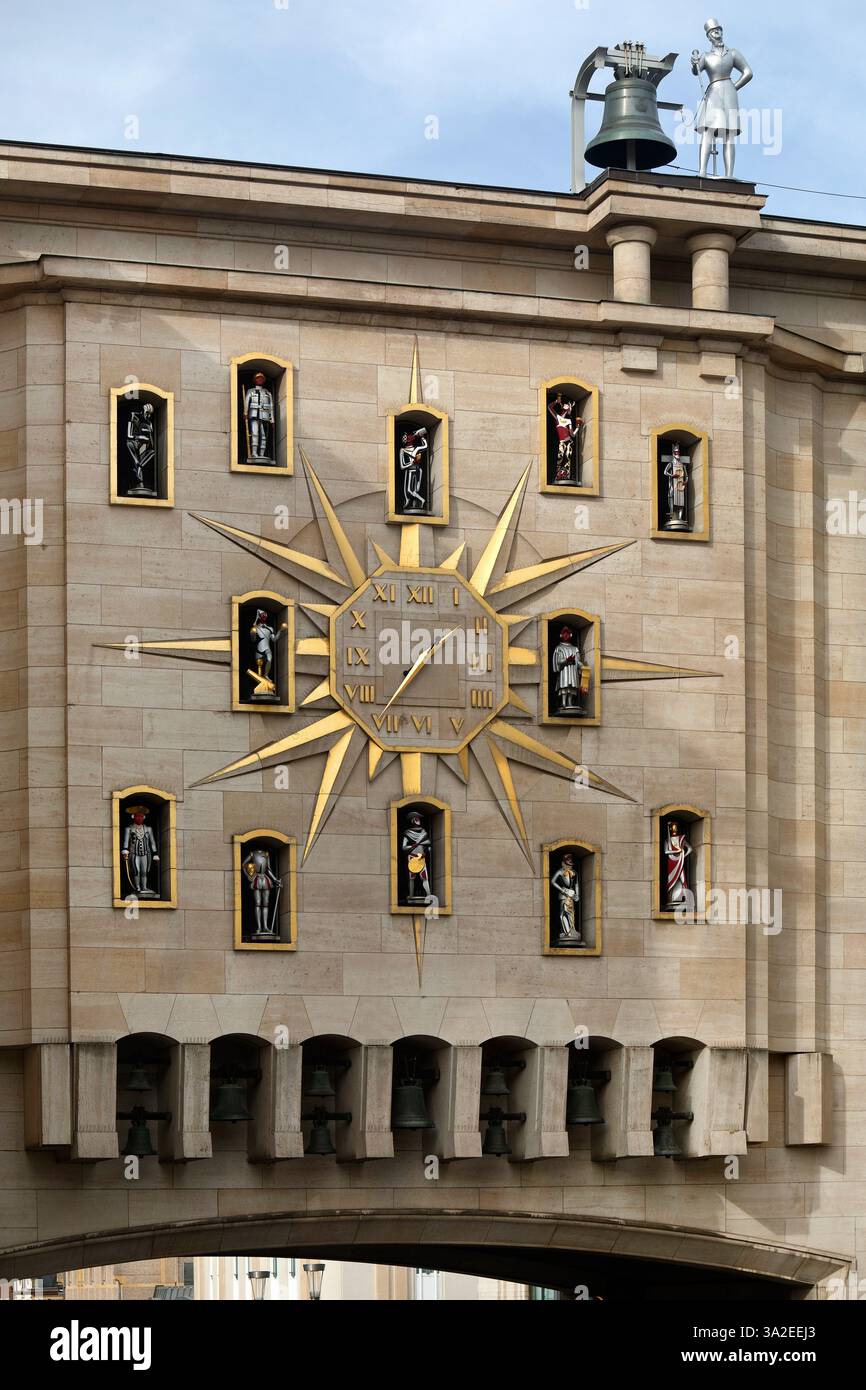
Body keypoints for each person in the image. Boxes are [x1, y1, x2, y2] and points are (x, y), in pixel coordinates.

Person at [691, 19, 753, 179]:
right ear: (709, 36)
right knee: (707, 130)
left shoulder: (732, 53)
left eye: (718, 29)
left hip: (729, 92)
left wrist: (735, 87)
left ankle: (729, 174)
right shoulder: (706, 56)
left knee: (729, 133)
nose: (716, 32)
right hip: (713, 92)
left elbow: (748, 72)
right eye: (713, 31)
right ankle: (702, 171)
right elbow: (696, 71)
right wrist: (694, 64)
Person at [242, 845, 282, 938]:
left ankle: (265, 926)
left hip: (265, 879)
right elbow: (244, 865)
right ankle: (259, 927)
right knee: (258, 903)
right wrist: (248, 875)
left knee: (265, 903)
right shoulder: (252, 854)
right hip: (256, 878)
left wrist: (275, 880)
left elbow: (268, 869)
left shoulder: (266, 854)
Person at [121, 805, 160, 898]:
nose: (139, 818)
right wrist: (125, 849)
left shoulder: (148, 829)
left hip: (146, 854)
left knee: (144, 871)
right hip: (134, 853)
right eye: (137, 816)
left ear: (144, 817)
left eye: (141, 816)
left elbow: (152, 842)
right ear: (133, 817)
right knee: (136, 870)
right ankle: (137, 887)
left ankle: (144, 887)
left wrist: (155, 853)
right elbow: (126, 841)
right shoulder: (129, 829)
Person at [552, 625, 588, 714]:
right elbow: (558, 661)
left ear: (570, 635)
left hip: (572, 670)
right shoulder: (559, 648)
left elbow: (578, 660)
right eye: (564, 634)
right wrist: (566, 660)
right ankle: (563, 703)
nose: (566, 636)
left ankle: (570, 702)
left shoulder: (575, 648)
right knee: (564, 687)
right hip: (564, 670)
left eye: (567, 634)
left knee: (572, 687)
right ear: (561, 635)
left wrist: (582, 666)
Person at [548, 393, 583, 485]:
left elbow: (572, 434)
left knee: (567, 459)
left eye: (569, 405)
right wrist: (556, 401)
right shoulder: (557, 418)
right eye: (567, 405)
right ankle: (559, 476)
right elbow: (549, 407)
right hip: (562, 442)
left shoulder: (569, 421)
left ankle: (565, 476)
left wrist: (578, 427)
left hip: (569, 441)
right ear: (563, 407)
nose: (568, 406)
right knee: (560, 458)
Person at [243, 372, 275, 463]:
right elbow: (246, 403)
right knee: (255, 433)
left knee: (264, 436)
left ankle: (262, 453)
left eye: (261, 379)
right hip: (254, 415)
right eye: (258, 378)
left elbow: (271, 407)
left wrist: (272, 419)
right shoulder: (251, 391)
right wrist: (245, 413)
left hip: (264, 416)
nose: (260, 380)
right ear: (254, 380)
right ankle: (254, 453)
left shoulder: (268, 393)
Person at [551, 853, 582, 946]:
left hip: (571, 895)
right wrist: (563, 890)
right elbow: (553, 881)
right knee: (564, 912)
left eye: (570, 863)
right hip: (564, 895)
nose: (569, 865)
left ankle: (572, 930)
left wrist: (577, 894)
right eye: (568, 863)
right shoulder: (560, 872)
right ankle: (566, 931)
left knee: (571, 913)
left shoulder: (574, 872)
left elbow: (576, 884)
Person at [125, 401, 156, 496]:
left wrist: (148, 437)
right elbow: (129, 435)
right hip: (133, 442)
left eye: (150, 414)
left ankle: (139, 467)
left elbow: (152, 443)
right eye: (147, 413)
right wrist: (139, 437)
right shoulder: (133, 415)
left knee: (152, 452)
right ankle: (139, 477)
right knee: (130, 446)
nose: (148, 416)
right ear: (144, 411)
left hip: (143, 445)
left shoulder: (149, 423)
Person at [401, 811, 432, 904]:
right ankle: (410, 895)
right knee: (412, 877)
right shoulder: (408, 833)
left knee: (424, 877)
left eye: (419, 818)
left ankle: (429, 895)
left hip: (422, 857)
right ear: (413, 820)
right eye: (416, 818)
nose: (418, 820)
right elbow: (403, 847)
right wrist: (412, 846)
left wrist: (427, 850)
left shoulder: (423, 832)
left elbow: (428, 846)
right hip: (412, 858)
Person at [399, 425, 429, 512]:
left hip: (417, 470)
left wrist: (422, 437)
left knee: (414, 489)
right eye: (409, 436)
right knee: (408, 490)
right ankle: (419, 500)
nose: (411, 436)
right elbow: (402, 466)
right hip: (410, 470)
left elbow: (425, 446)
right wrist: (411, 463)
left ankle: (419, 501)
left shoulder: (416, 448)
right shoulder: (403, 450)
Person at [663, 821, 693, 908]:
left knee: (682, 878)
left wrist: (683, 856)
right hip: (671, 862)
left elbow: (690, 849)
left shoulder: (681, 839)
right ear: (671, 828)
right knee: (672, 879)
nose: (674, 828)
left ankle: (683, 898)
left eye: (676, 826)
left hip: (680, 862)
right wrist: (677, 851)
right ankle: (671, 899)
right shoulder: (667, 840)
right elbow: (666, 851)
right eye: (673, 826)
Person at [662, 441, 690, 530]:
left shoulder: (682, 465)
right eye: (675, 452)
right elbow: (665, 472)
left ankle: (680, 518)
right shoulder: (671, 464)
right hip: (673, 485)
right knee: (672, 499)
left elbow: (686, 475)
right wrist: (672, 475)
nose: (677, 453)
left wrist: (686, 481)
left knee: (681, 502)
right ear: (673, 453)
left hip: (680, 486)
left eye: (678, 452)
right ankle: (672, 516)